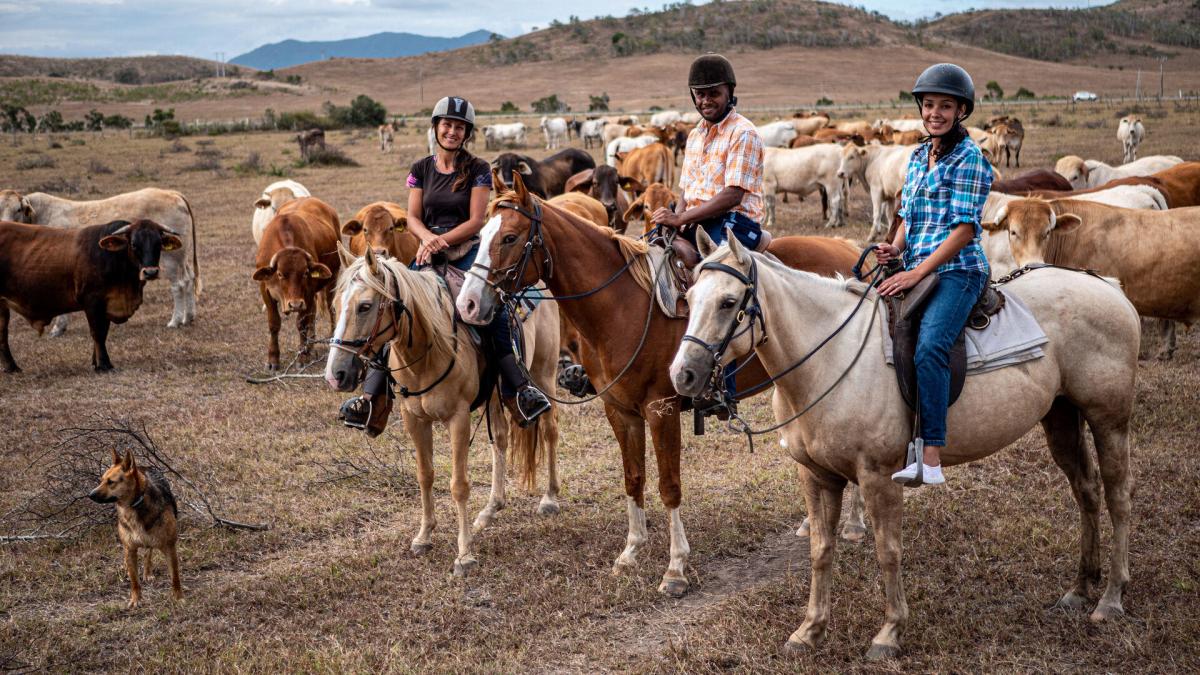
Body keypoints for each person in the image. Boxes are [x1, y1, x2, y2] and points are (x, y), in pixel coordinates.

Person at [341, 96, 551, 430]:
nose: (452, 132)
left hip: (467, 250)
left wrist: (441, 240)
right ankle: (371, 399)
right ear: (437, 128)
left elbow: (476, 220)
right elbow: (411, 216)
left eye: (459, 127)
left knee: (490, 311)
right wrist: (427, 239)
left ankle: (518, 391)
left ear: (466, 133)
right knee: (390, 305)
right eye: (447, 125)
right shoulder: (420, 169)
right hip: (427, 249)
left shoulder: (479, 169)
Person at [874, 64, 993, 486]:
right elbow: (909, 214)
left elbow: (963, 231)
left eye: (945, 106)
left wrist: (915, 273)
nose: (935, 113)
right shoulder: (918, 155)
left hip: (958, 271)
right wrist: (897, 248)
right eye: (929, 105)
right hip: (918, 266)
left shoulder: (972, 158)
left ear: (962, 110)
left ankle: (931, 455)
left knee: (930, 347)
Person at [649, 53, 766, 417]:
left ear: (730, 92)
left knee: (720, 290)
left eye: (712, 93)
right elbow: (687, 187)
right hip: (698, 217)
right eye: (698, 94)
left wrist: (683, 216)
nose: (705, 101)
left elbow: (732, 194)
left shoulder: (743, 132)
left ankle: (721, 388)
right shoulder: (696, 135)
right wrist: (674, 219)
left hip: (733, 223)